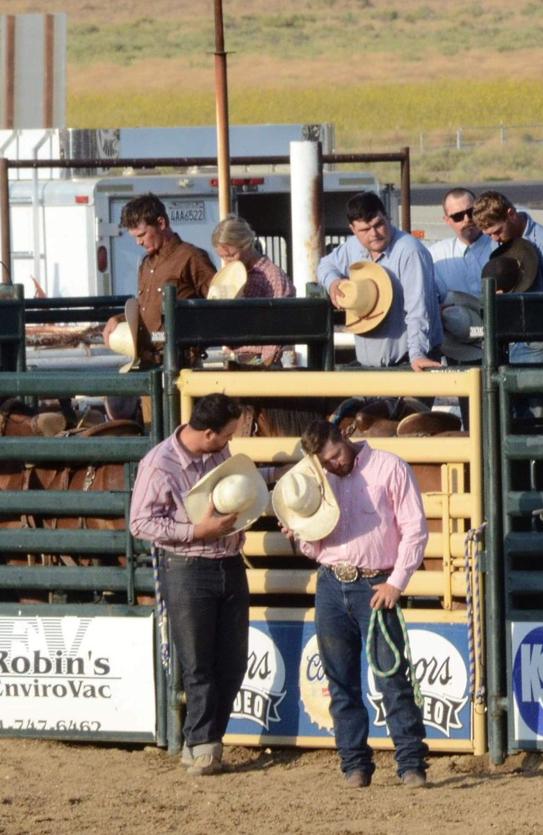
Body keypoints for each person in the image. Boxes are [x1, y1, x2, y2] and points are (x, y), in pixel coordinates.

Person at [285, 421, 430, 789]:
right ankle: (355, 764)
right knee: (340, 680)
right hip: (332, 579)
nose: (334, 464)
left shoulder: (390, 467)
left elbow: (415, 528)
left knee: (390, 677)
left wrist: (396, 582)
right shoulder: (320, 480)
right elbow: (316, 544)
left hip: (375, 582)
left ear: (344, 438)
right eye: (326, 462)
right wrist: (300, 535)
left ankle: (410, 763)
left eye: (335, 456)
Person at [128, 393, 247, 776]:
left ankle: (200, 742)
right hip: (187, 565)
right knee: (199, 663)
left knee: (231, 662)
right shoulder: (158, 463)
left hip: (226, 559)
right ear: (209, 433)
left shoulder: (216, 453)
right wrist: (197, 530)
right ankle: (204, 744)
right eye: (226, 435)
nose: (229, 441)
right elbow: (140, 522)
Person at [318, 192, 443, 371]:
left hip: (408, 362)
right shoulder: (352, 246)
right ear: (353, 230)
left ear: (387, 217)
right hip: (369, 364)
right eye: (364, 230)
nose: (374, 234)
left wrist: (418, 355)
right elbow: (325, 264)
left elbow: (418, 308)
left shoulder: (410, 252)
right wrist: (332, 282)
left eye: (379, 225)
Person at [103, 194, 217, 364]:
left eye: (142, 235)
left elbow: (217, 305)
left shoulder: (192, 257)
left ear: (161, 223)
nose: (138, 242)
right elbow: (146, 307)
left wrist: (195, 348)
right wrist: (118, 319)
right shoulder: (146, 264)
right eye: (135, 237)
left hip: (180, 361)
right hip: (149, 360)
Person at [472, 190, 543, 364]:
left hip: (540, 341)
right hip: (510, 339)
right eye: (489, 235)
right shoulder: (500, 242)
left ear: (511, 214)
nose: (495, 238)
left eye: (497, 231)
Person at [212, 216, 295, 366]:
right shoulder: (231, 275)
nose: (227, 261)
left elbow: (278, 324)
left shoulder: (272, 276)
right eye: (223, 257)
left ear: (247, 244)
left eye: (231, 255)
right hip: (235, 359)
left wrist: (261, 363)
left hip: (259, 363)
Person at [427, 187, 495, 301]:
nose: (467, 219)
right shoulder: (436, 255)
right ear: (447, 220)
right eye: (458, 216)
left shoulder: (500, 245)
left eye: (471, 212)